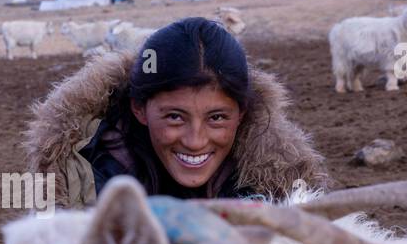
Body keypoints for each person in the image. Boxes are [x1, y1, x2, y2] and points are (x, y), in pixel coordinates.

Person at [24, 16, 328, 205]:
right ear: (140, 109)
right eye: (174, 117)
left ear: (242, 114)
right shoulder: (89, 177)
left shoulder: (277, 188)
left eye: (217, 118)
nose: (195, 141)